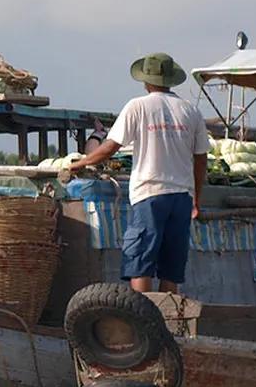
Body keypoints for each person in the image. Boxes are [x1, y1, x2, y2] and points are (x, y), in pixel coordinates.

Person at [61, 52, 208, 295]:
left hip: (150, 195)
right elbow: (201, 159)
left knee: (140, 260)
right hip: (181, 197)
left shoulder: (138, 106)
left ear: (146, 81)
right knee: (171, 266)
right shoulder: (190, 111)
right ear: (171, 80)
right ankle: (168, 321)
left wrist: (81, 163)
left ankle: (141, 318)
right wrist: (197, 198)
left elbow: (110, 147)